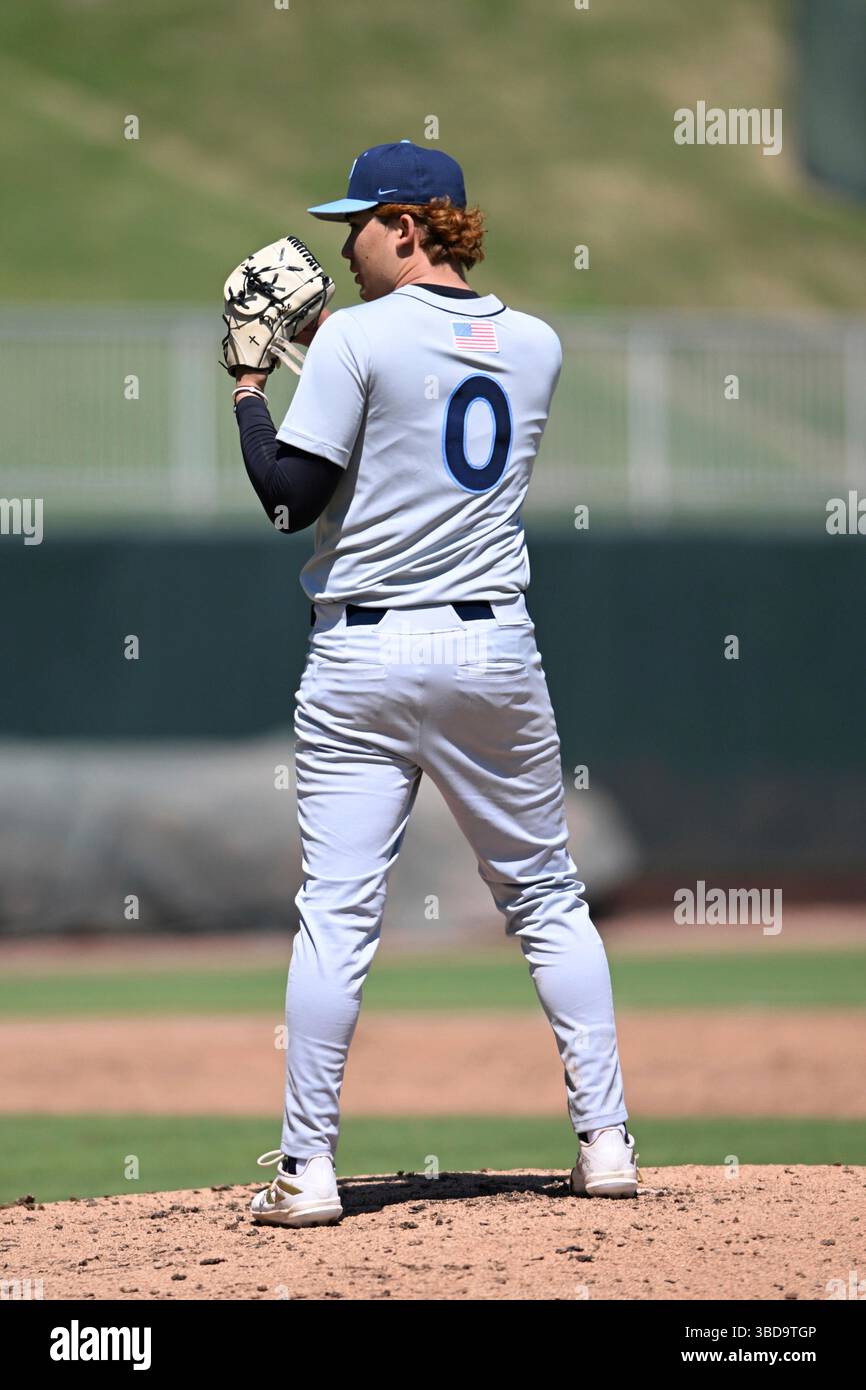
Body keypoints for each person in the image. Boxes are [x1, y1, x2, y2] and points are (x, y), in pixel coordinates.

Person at [231, 141, 638, 1228]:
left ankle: (306, 1173)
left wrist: (249, 384)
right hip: (491, 652)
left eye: (357, 223)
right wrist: (332, 342)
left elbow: (285, 500)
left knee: (334, 915)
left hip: (363, 656)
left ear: (407, 225)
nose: (344, 245)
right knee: (547, 898)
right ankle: (604, 1144)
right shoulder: (538, 344)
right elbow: (429, 381)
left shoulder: (357, 340)